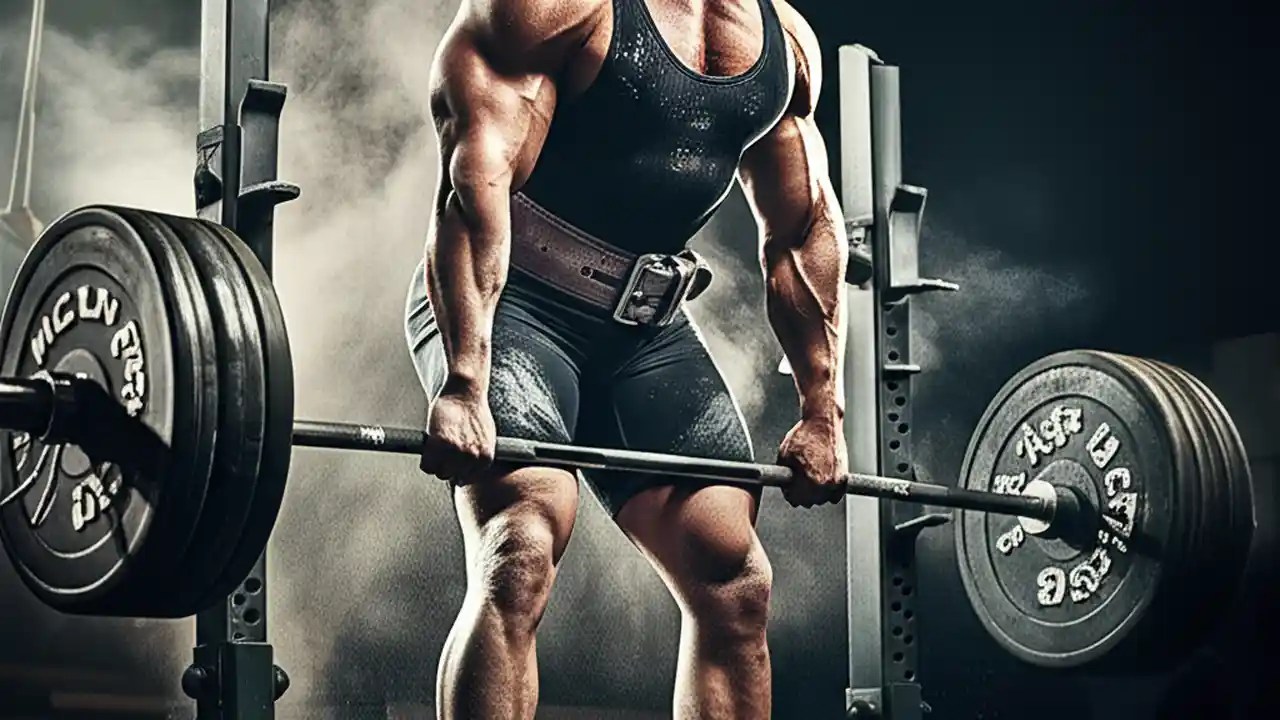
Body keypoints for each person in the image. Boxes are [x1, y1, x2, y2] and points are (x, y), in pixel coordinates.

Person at [404, 0, 848, 717]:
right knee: (520, 548)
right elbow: (472, 185)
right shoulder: (556, 11)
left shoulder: (784, 43)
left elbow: (802, 231)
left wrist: (821, 414)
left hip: (645, 332)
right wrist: (464, 378)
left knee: (733, 580)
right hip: (514, 305)